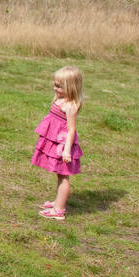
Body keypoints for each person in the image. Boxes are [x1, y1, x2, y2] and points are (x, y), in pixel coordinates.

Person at [32, 66, 83, 219]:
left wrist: (66, 151)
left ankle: (59, 210)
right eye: (55, 84)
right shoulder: (60, 99)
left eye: (59, 86)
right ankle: (57, 202)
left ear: (71, 87)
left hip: (62, 146)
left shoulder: (70, 106)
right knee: (59, 175)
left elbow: (71, 130)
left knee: (63, 176)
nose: (55, 88)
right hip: (56, 143)